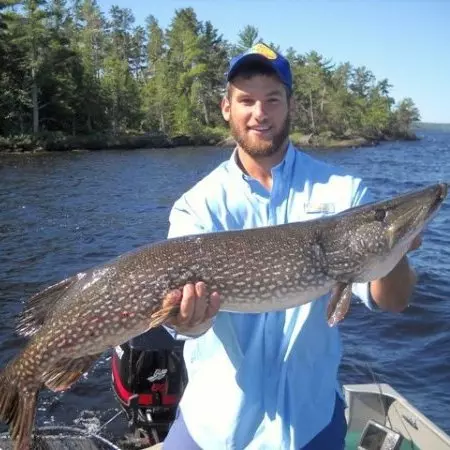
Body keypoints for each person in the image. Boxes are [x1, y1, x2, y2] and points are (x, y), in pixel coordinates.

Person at [151, 42, 420, 449]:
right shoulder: (197, 205)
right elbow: (187, 323)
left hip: (307, 422)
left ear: (289, 105)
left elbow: (394, 302)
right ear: (227, 108)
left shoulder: (344, 192)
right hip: (215, 425)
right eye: (246, 100)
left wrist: (395, 248)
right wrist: (186, 319)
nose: (260, 113)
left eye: (272, 99)